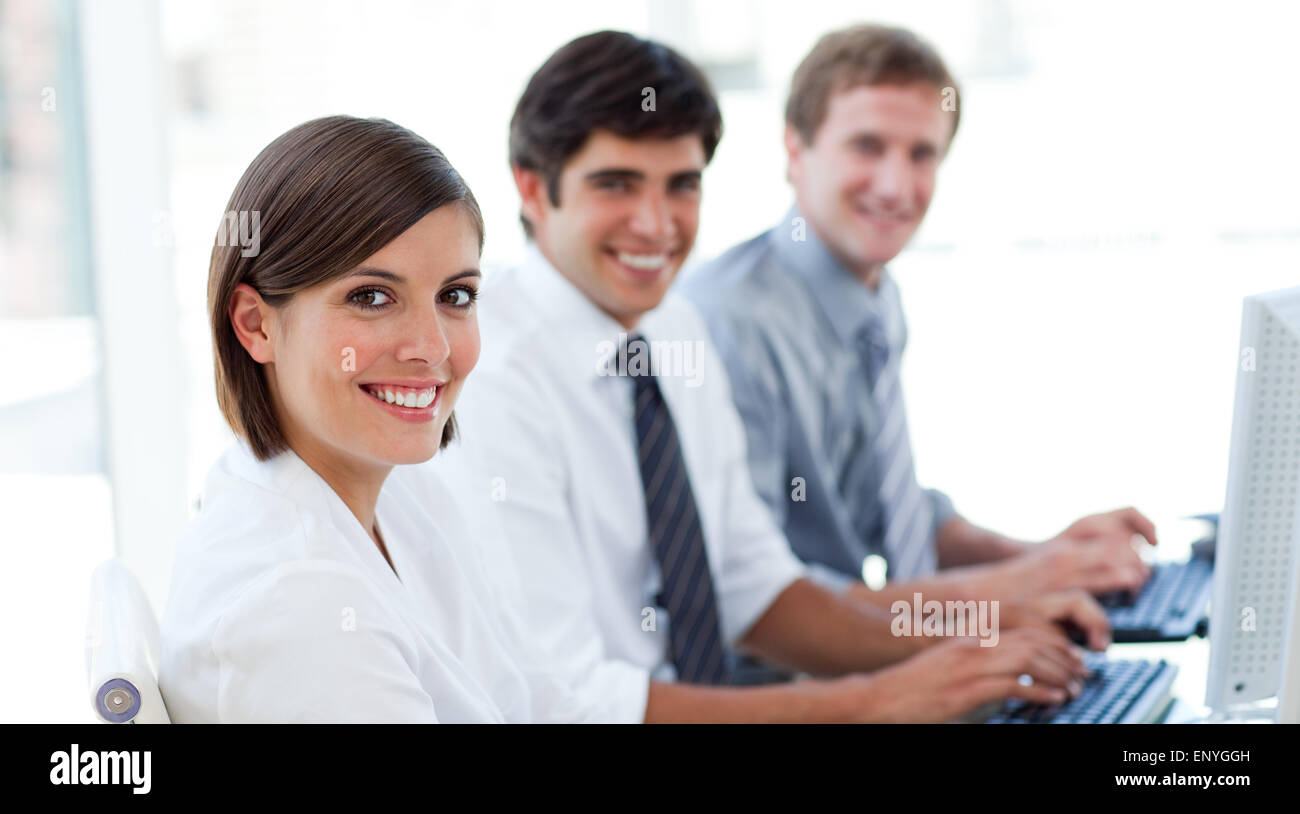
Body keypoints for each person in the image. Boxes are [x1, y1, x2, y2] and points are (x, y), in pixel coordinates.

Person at [438, 30, 1106, 724]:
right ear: (532, 189)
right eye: (616, 185)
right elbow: (572, 703)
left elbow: (759, 591)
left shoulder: (673, 329)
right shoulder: (490, 375)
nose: (656, 224)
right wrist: (883, 700)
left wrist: (972, 637)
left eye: (682, 186)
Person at [684, 23, 1158, 608]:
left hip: (867, 652)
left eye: (921, 154)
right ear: (794, 150)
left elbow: (888, 508)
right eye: (867, 147)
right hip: (786, 682)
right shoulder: (730, 325)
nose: (895, 185)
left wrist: (1040, 557)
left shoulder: (875, 301)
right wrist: (1002, 600)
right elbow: (761, 602)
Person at [159, 115, 598, 723]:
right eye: (371, 297)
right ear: (256, 325)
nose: (433, 346)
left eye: (456, 296)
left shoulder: (402, 495)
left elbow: (542, 704)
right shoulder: (299, 604)